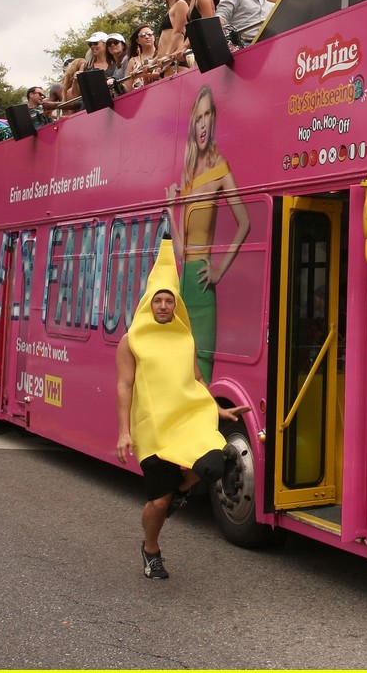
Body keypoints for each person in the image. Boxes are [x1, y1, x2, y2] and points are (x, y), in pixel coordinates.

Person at [115, 240, 247, 580]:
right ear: (149, 302)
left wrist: (216, 408)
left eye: (168, 300)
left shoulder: (185, 338)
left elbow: (197, 379)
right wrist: (124, 431)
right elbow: (124, 386)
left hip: (186, 421)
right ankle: (150, 549)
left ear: (176, 304)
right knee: (158, 504)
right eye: (157, 300)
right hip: (154, 429)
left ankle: (182, 490)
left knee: (217, 461)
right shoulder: (131, 340)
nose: (162, 306)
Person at [166, 86, 252, 383]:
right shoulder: (187, 173)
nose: (203, 124)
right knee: (178, 368)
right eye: (198, 117)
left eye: (207, 115)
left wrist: (218, 270)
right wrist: (169, 210)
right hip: (183, 286)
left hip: (203, 289)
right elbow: (180, 251)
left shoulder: (220, 167)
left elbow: (245, 221)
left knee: (201, 370)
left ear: (213, 119)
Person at [156, 0, 192, 68]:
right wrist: (152, 63)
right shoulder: (168, 11)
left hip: (174, 62)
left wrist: (167, 55)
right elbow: (164, 43)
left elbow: (178, 33)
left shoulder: (181, 4)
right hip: (165, 63)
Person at [125, 25, 161, 90]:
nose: (147, 37)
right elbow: (127, 87)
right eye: (142, 35)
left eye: (150, 34)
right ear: (137, 40)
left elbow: (164, 75)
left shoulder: (162, 54)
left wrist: (141, 74)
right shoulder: (133, 60)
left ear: (154, 37)